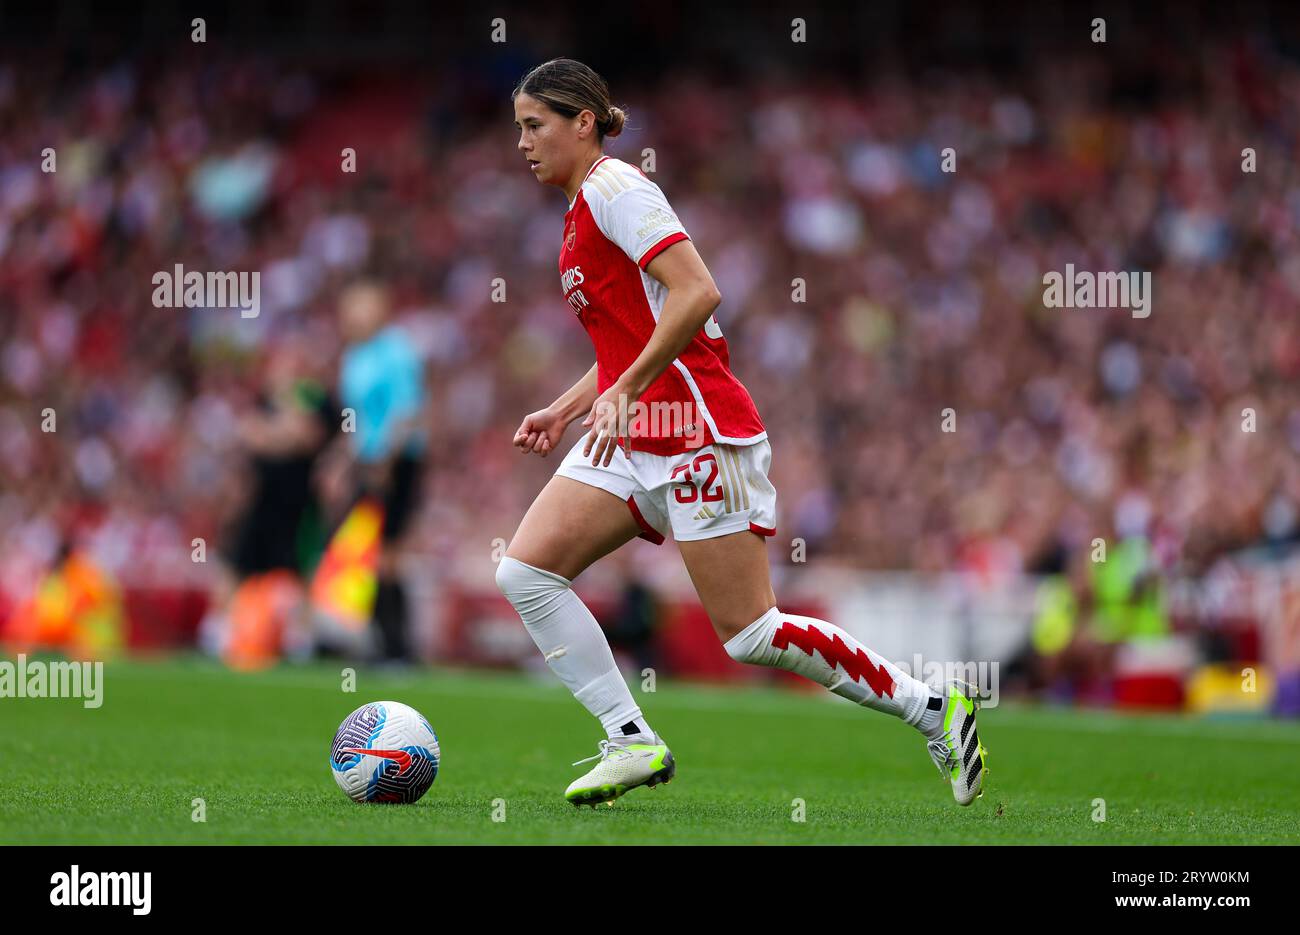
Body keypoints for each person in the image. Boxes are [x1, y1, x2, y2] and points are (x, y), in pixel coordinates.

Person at [498, 58, 988, 807]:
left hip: (697, 431)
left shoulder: (616, 189)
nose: (523, 143)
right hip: (636, 437)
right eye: (518, 129)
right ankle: (631, 738)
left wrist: (626, 387)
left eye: (535, 126)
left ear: (583, 122)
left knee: (750, 633)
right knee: (525, 570)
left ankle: (933, 709)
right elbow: (632, 338)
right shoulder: (577, 212)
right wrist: (567, 405)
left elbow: (699, 290)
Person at [337, 281, 428, 663]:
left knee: (387, 552)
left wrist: (385, 462)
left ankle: (397, 646)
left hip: (395, 462)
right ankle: (378, 640)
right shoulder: (355, 356)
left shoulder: (395, 351)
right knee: (366, 552)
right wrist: (340, 463)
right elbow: (353, 419)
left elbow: (406, 412)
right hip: (367, 462)